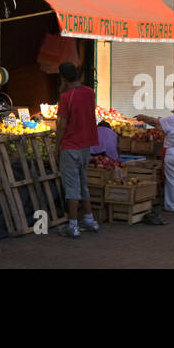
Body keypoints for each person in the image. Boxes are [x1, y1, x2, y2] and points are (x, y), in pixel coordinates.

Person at [53, 61, 99, 237]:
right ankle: (89, 220)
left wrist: (57, 147)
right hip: (86, 145)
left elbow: (62, 124)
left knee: (72, 186)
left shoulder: (66, 97)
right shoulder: (90, 92)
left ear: (63, 78)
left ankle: (73, 225)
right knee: (83, 183)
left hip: (71, 146)